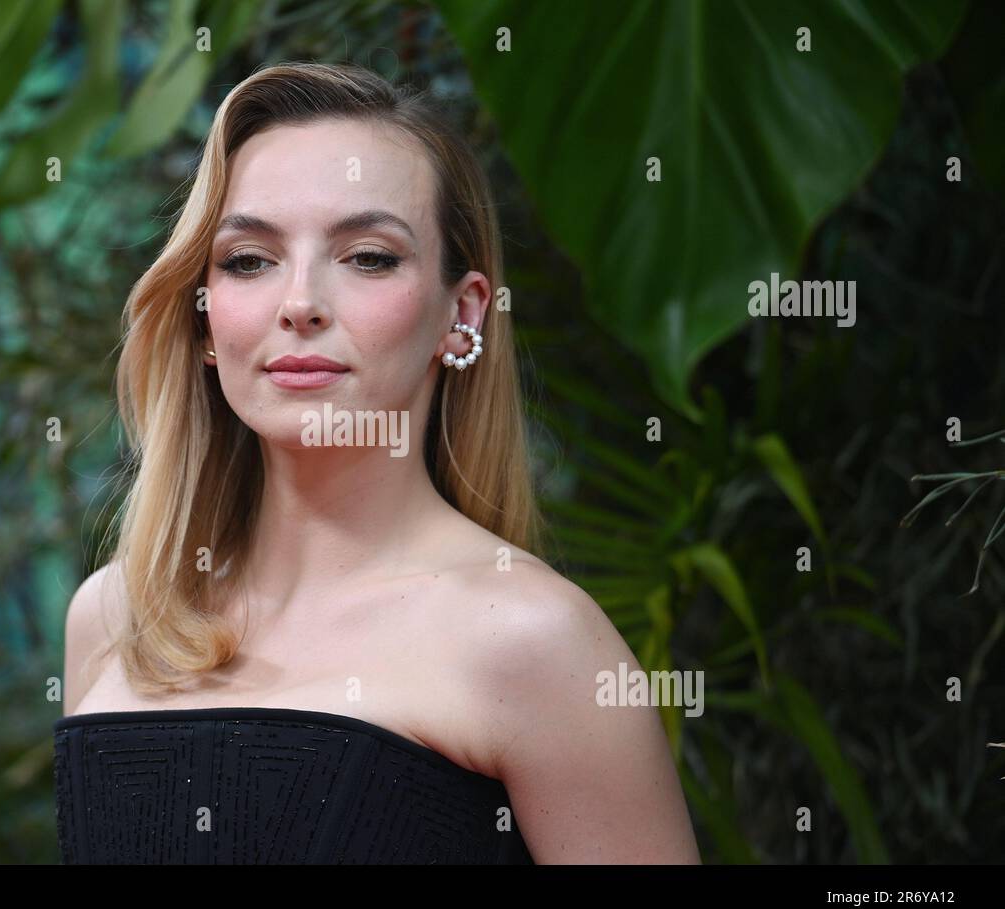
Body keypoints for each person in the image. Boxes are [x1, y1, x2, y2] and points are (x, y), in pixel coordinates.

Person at [54, 60, 700, 864]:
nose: (300, 303)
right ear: (205, 319)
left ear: (461, 317)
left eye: (367, 256)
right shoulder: (115, 617)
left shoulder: (535, 641)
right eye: (249, 259)